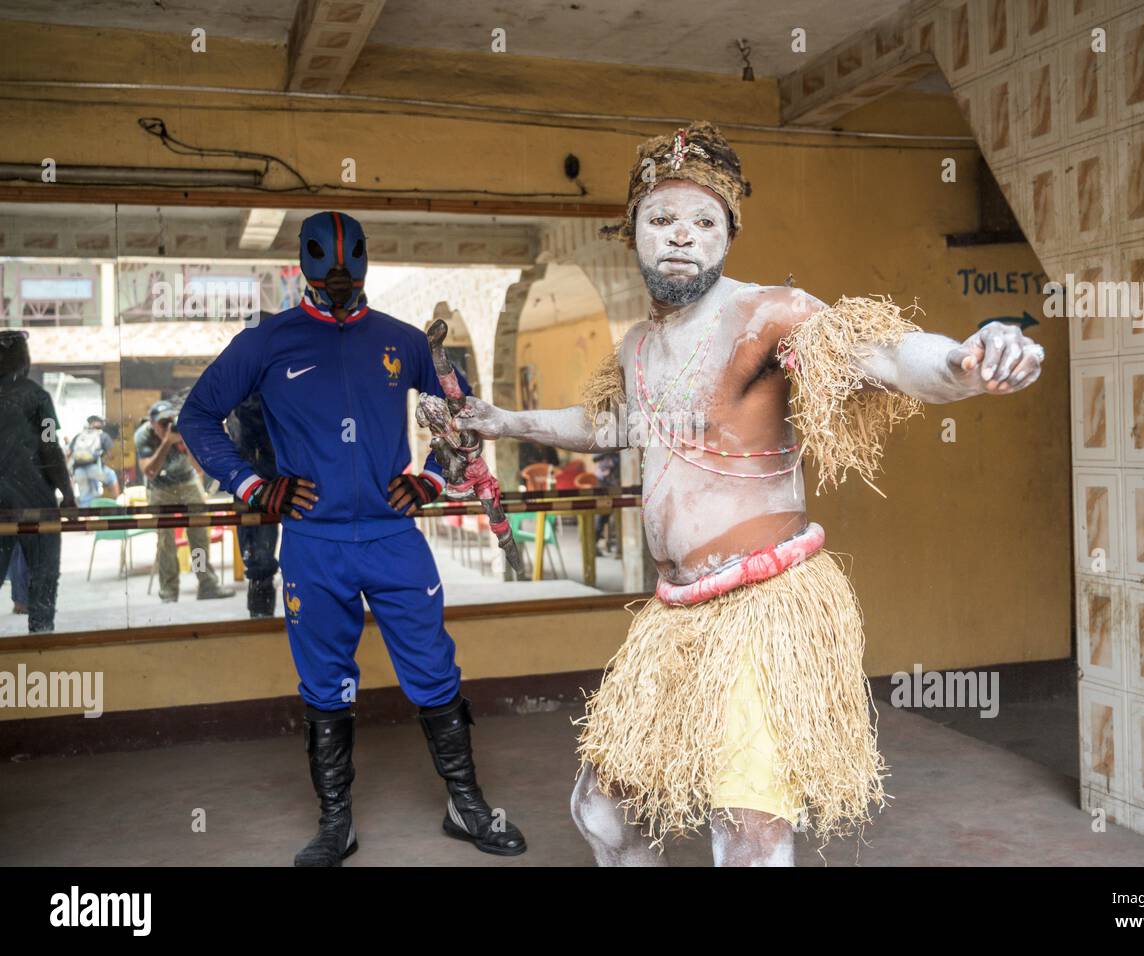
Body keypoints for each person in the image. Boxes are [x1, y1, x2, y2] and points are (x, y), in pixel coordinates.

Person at [452, 122, 1046, 867]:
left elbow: (889, 356)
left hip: (763, 609)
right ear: (632, 232)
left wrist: (966, 359)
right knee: (602, 810)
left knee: (749, 831)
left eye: (705, 222)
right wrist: (502, 421)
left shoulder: (772, 313)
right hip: (675, 616)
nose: (682, 235)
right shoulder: (638, 346)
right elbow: (609, 426)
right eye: (662, 219)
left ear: (728, 237)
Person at [178, 210, 525, 866]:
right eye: (327, 267)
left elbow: (463, 412)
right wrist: (254, 486)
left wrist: (432, 477)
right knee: (325, 684)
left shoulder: (402, 340)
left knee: (433, 671)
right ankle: (336, 823)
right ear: (305, 264)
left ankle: (466, 805)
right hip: (314, 543)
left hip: (394, 538)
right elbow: (197, 416)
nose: (338, 279)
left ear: (365, 261)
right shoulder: (265, 342)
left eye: (348, 267)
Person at [0, 329, 76, 633]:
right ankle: (41, 639)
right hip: (34, 500)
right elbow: (50, 448)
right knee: (43, 575)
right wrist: (67, 494)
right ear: (23, 359)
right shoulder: (36, 396)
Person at [134, 400, 235, 603]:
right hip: (159, 487)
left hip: (188, 481)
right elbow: (149, 472)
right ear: (152, 424)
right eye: (162, 423)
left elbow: (198, 468)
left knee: (199, 536)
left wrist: (187, 442)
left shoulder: (184, 429)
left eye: (170, 421)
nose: (168, 426)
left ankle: (206, 584)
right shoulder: (143, 435)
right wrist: (167, 442)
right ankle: (169, 590)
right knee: (166, 541)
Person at [225, 391, 279, 619]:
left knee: (262, 551)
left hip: (272, 473)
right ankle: (260, 609)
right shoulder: (239, 392)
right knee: (258, 554)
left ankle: (262, 607)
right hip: (250, 476)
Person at [69, 415, 120, 507]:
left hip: (78, 471)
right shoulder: (102, 435)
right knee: (111, 476)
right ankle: (117, 503)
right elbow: (110, 455)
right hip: (95, 469)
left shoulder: (79, 436)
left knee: (85, 497)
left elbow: (69, 453)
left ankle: (86, 511)